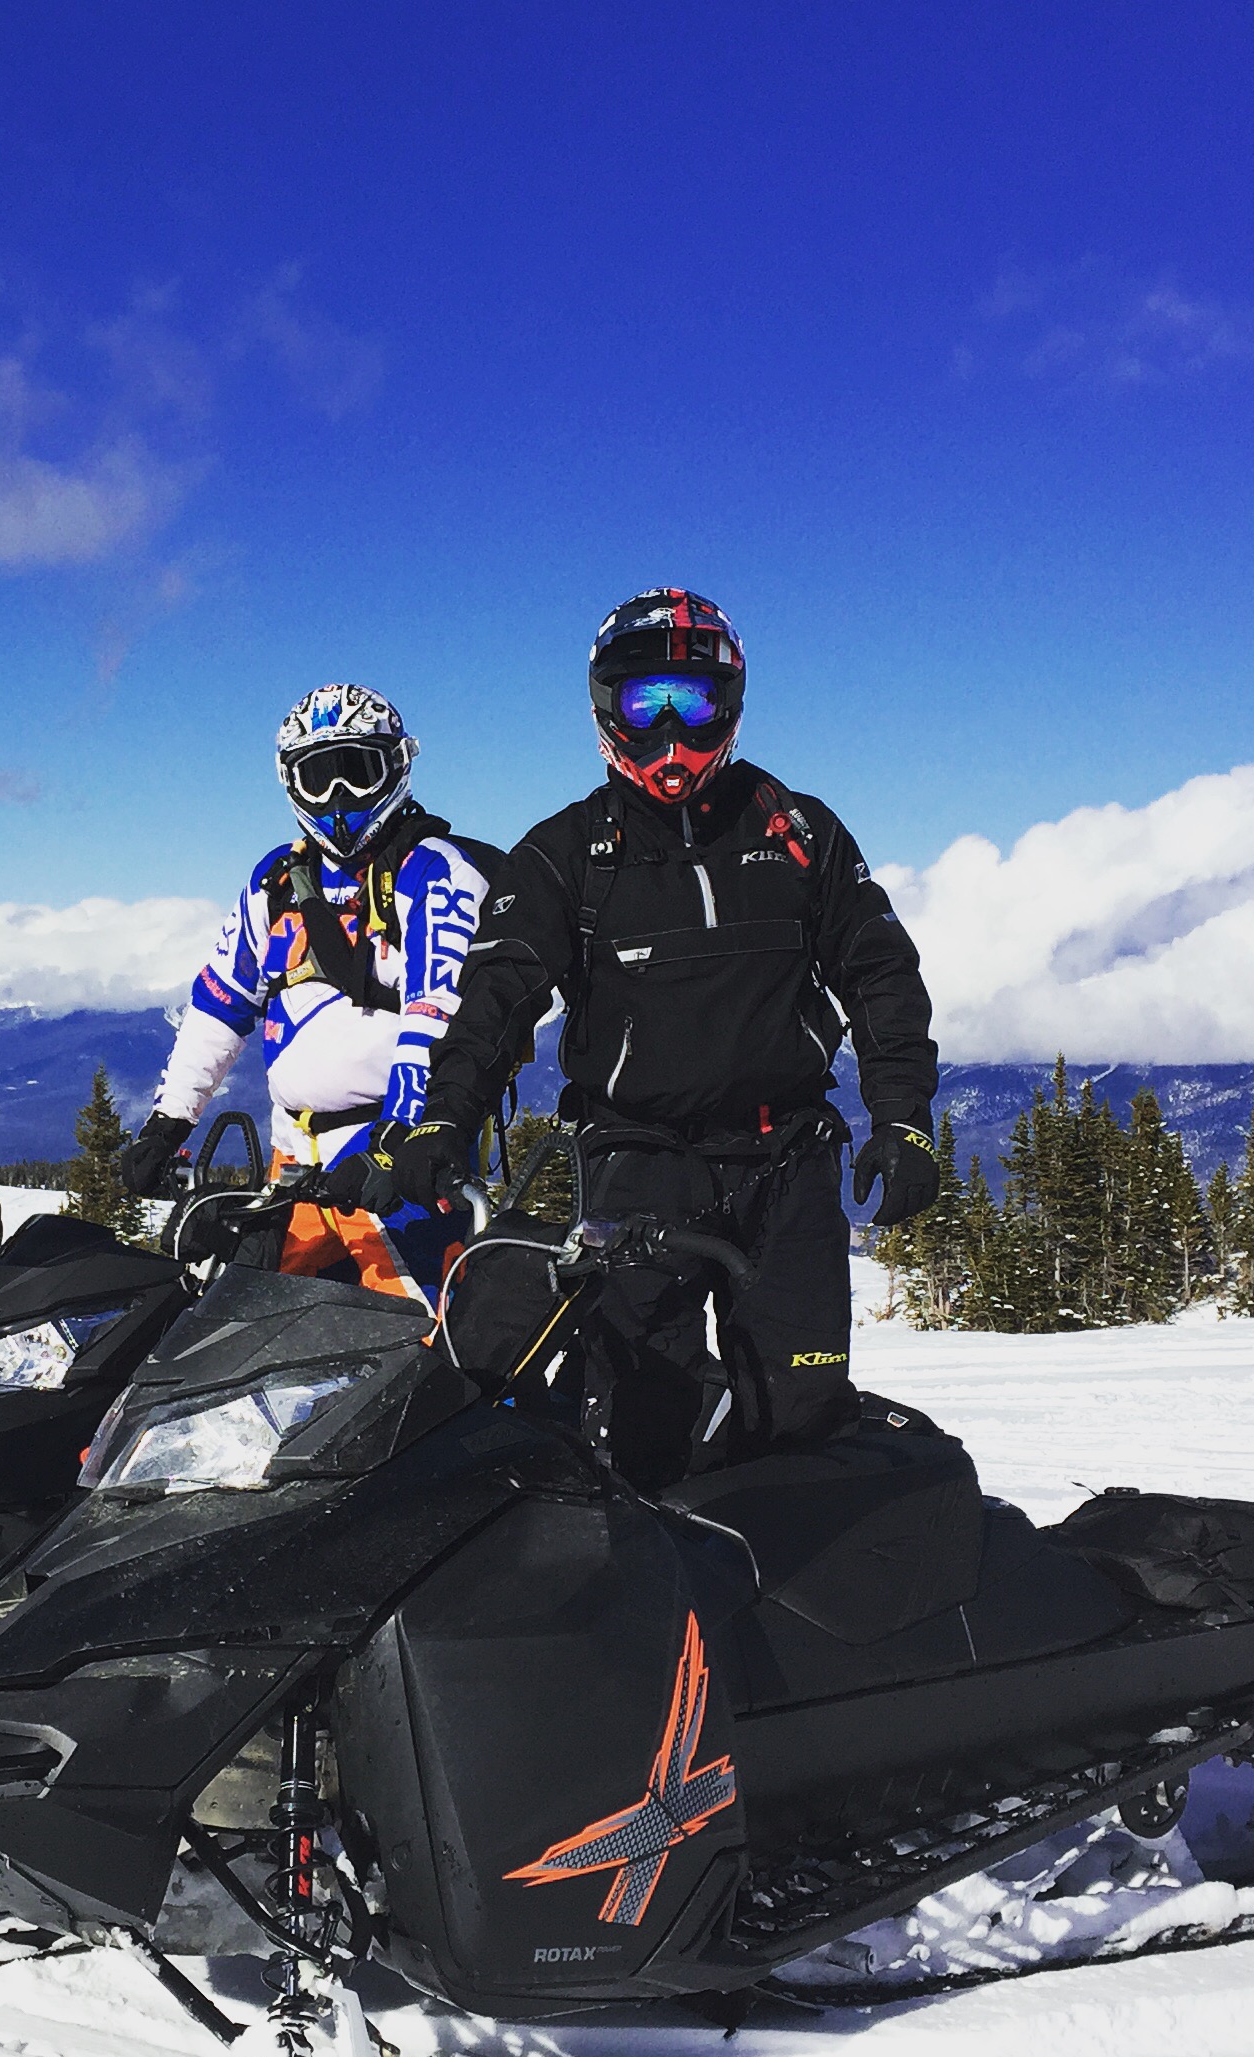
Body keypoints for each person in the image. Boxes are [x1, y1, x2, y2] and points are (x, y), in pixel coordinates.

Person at [353, 588, 941, 1481]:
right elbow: (496, 995)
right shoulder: (564, 851)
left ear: (730, 705)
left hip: (786, 1161)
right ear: (606, 709)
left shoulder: (798, 833)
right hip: (637, 1165)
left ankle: (790, 1596)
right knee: (639, 1419)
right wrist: (446, 1118)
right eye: (644, 702)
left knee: (801, 1414)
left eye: (692, 701)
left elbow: (881, 975)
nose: (670, 730)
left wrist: (901, 1117)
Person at [118, 683, 497, 1303]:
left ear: (396, 768)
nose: (339, 797)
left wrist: (399, 1139)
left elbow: (438, 1011)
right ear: (291, 783)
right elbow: (220, 1004)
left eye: (357, 770)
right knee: (248, 1339)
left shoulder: (434, 872)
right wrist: (167, 1122)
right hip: (291, 1163)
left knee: (416, 1346)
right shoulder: (275, 884)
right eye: (318, 776)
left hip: (395, 1164)